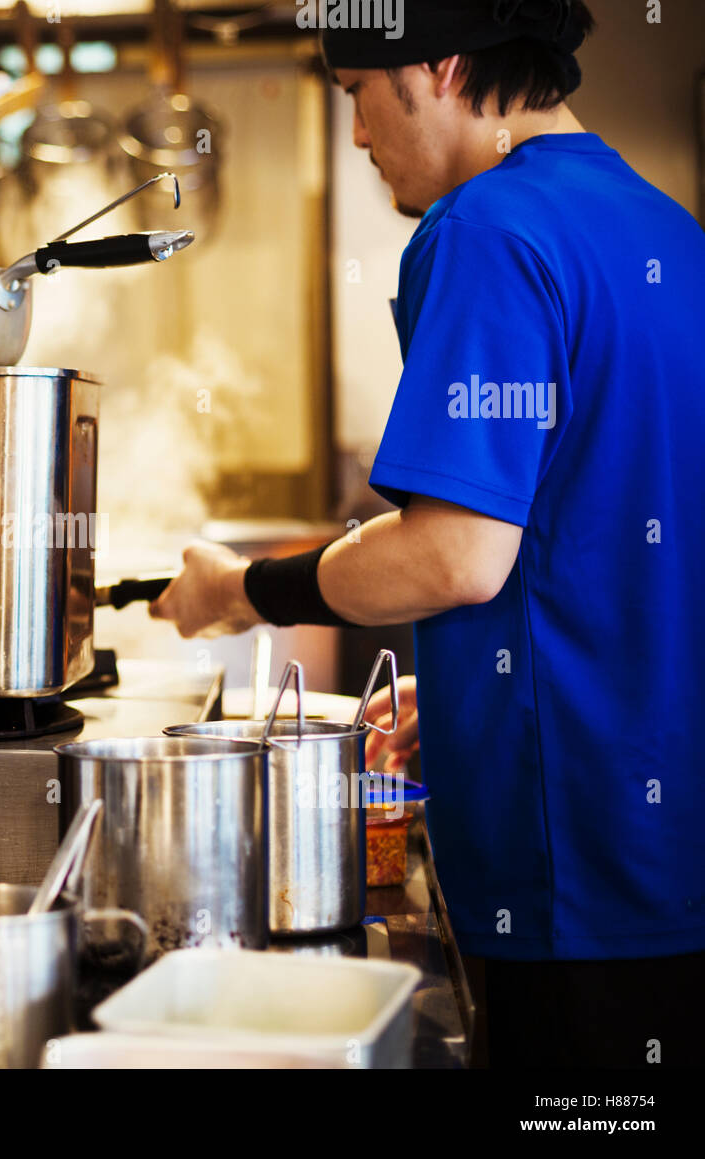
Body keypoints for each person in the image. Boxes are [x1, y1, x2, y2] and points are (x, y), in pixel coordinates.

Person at [148, 0, 705, 1068]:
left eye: (356, 93)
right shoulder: (666, 231)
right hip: (666, 856)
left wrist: (239, 592)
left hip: (571, 872)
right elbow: (604, 540)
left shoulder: (487, 230)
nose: (355, 133)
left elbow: (455, 555)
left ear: (439, 65)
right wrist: (483, 681)